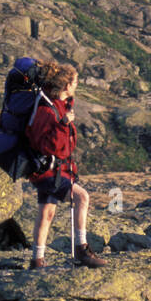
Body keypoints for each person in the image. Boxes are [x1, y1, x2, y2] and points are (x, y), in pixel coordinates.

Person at [26, 60, 104, 268]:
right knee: (82, 197)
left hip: (52, 169)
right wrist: (64, 124)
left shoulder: (57, 105)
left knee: (47, 212)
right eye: (75, 82)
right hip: (49, 171)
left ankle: (37, 260)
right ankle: (81, 249)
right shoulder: (48, 110)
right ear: (67, 85)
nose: (77, 85)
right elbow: (48, 145)